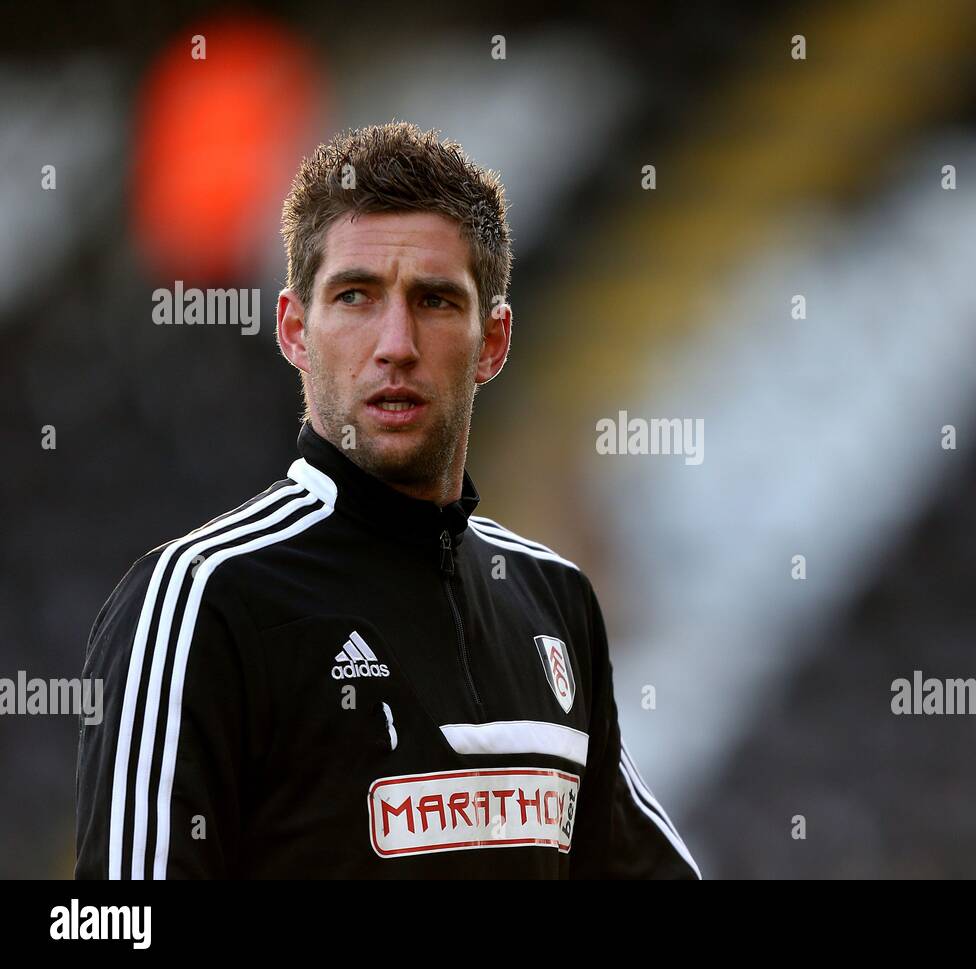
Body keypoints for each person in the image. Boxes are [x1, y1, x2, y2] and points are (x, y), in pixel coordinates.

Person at [74, 122, 700, 879]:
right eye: (356, 296)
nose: (395, 343)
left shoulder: (554, 602)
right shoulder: (202, 603)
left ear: (493, 341)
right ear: (296, 331)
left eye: (434, 300)